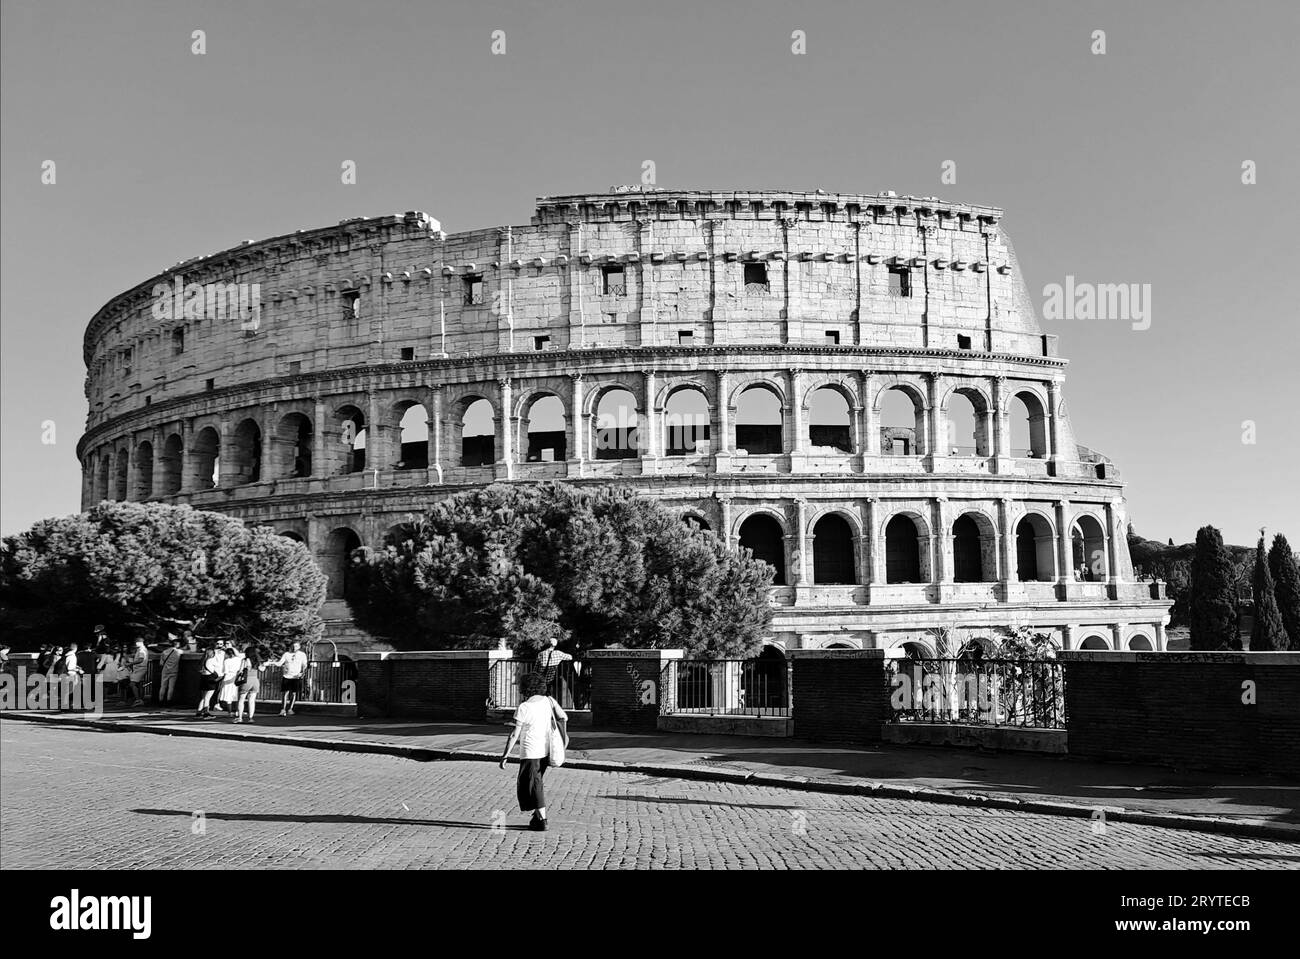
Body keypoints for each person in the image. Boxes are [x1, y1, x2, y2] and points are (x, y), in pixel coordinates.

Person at [499, 672, 568, 832]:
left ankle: (542, 819)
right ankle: (537, 818)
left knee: (533, 785)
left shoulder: (524, 707)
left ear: (526, 688)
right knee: (533, 784)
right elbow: (563, 717)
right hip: (545, 750)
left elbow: (514, 734)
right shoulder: (548, 701)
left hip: (530, 751)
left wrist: (505, 755)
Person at [273, 640, 308, 717]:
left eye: (296, 646)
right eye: (293, 646)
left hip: (296, 676)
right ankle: (283, 710)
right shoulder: (286, 654)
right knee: (285, 693)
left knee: (294, 693)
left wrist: (302, 672)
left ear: (299, 647)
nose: (294, 648)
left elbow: (304, 665)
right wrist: (272, 662)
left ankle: (290, 709)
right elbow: (280, 663)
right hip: (287, 676)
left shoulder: (302, 655)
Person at [234, 645, 264, 723]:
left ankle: (240, 717)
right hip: (255, 681)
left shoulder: (245, 660)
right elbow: (262, 669)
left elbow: (240, 670)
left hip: (246, 680)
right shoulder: (258, 661)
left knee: (241, 700)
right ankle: (251, 718)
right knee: (252, 700)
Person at [196, 643, 225, 718]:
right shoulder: (211, 660)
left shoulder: (203, 660)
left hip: (203, 678)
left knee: (203, 697)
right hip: (210, 679)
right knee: (207, 697)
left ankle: (199, 712)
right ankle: (206, 713)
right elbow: (219, 665)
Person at [121, 638, 148, 707]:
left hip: (140, 669)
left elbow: (141, 660)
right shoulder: (141, 649)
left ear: (139, 642)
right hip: (139, 669)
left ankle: (138, 700)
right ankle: (140, 699)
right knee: (139, 685)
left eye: (136, 642)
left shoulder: (141, 650)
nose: (135, 644)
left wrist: (130, 664)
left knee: (132, 684)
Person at [158, 636, 184, 706]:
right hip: (174, 671)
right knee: (171, 687)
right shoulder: (179, 651)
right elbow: (187, 651)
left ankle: (160, 701)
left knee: (163, 686)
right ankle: (168, 701)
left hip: (165, 671)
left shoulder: (164, 652)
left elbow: (161, 663)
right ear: (177, 645)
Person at [218, 642, 243, 714]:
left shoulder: (226, 661)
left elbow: (225, 671)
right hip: (236, 677)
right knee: (237, 695)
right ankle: (238, 711)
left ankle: (230, 712)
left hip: (228, 677)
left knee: (228, 697)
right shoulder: (239, 659)